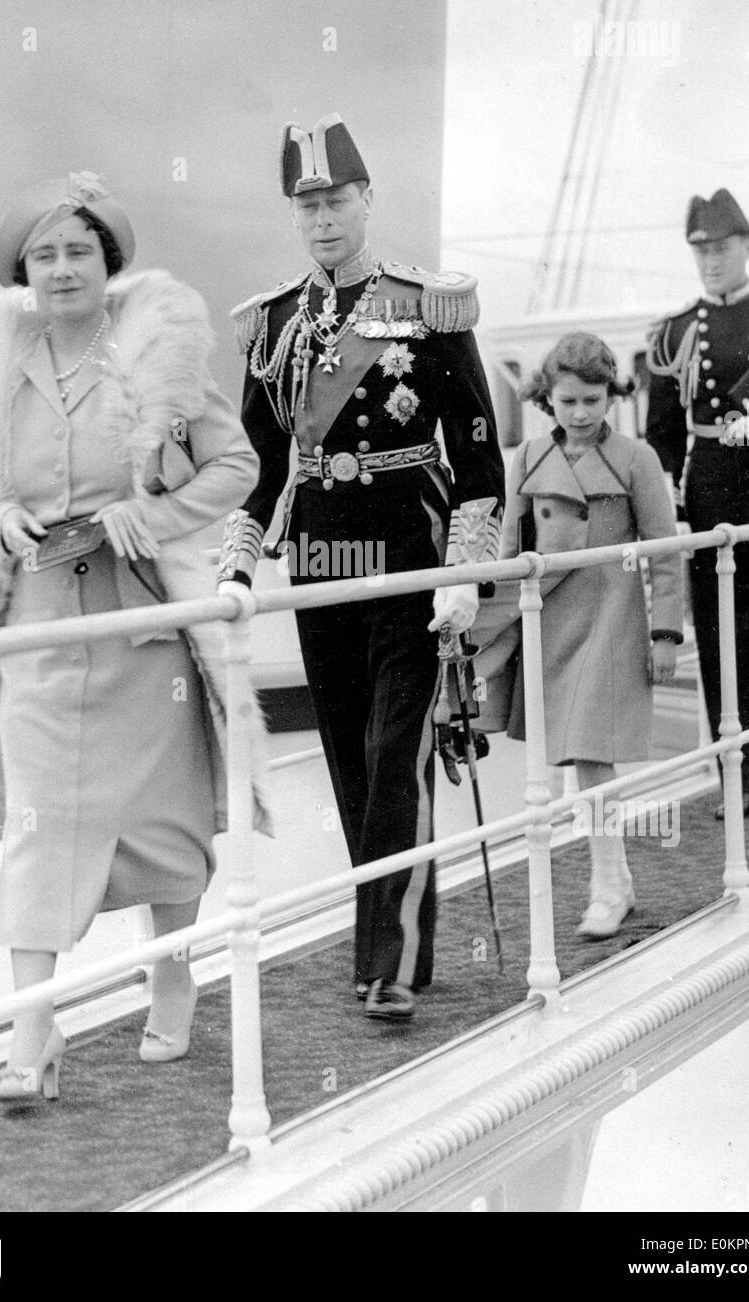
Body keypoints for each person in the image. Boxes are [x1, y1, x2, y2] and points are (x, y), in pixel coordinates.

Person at [0, 171, 266, 1102]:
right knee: (37, 827)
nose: (63, 268)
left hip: (141, 617)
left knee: (162, 821)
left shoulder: (154, 352)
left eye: (79, 250)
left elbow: (237, 464)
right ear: (21, 269)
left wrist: (151, 516)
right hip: (37, 623)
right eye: (45, 254)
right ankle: (31, 1034)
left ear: (108, 260)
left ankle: (168, 971)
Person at [217, 114, 505, 1020]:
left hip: (408, 559)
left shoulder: (427, 304)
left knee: (395, 753)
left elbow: (479, 454)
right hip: (320, 561)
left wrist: (464, 570)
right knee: (349, 755)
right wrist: (237, 565)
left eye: (337, 199)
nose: (323, 219)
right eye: (307, 205)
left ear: (367, 198)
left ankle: (389, 960)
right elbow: (261, 462)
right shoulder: (272, 325)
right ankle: (386, 947)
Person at [472, 333, 683, 938]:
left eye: (594, 399)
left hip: (611, 616)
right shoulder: (531, 458)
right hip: (549, 619)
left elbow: (666, 553)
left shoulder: (637, 459)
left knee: (591, 756)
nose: (582, 413)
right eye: (568, 401)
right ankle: (615, 879)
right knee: (569, 758)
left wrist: (665, 633)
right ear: (549, 399)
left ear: (611, 395)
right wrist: (482, 621)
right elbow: (510, 547)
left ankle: (607, 887)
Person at [646, 189, 749, 817]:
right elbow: (663, 432)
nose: (712, 261)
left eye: (723, 248)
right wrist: (668, 494)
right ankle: (741, 775)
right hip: (711, 487)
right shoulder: (676, 331)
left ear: (747, 246)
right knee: (723, 639)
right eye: (703, 251)